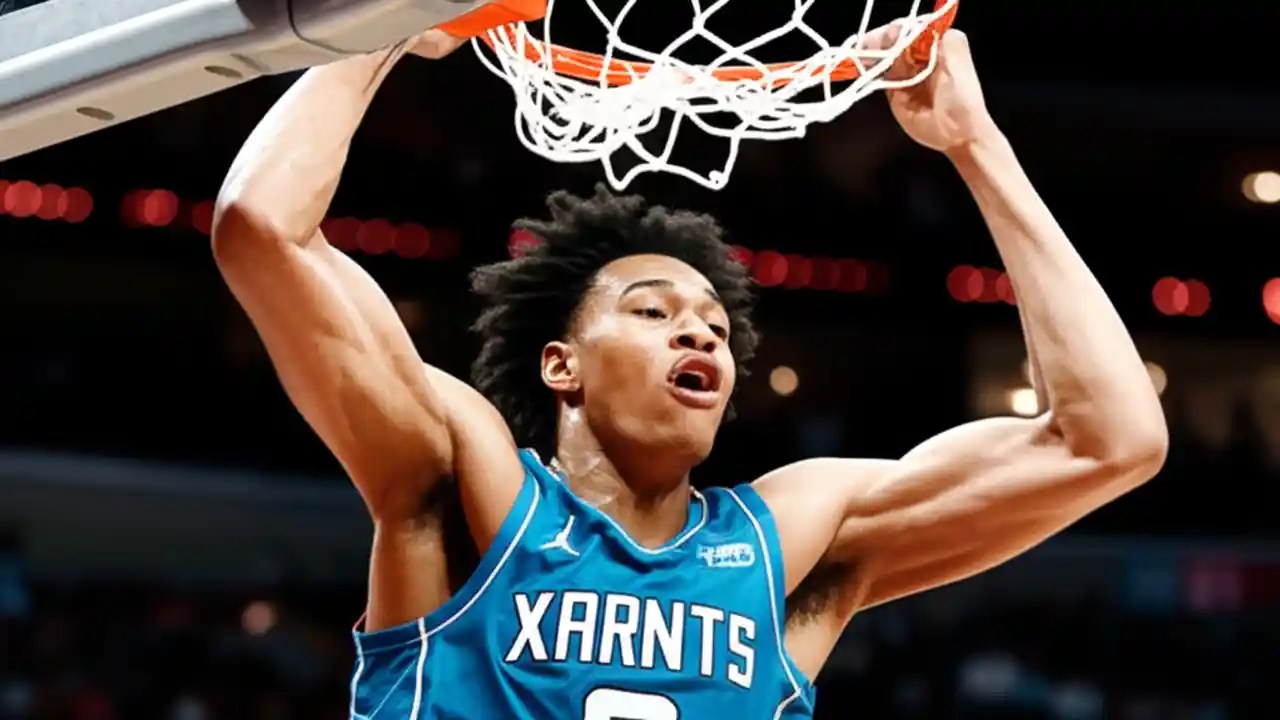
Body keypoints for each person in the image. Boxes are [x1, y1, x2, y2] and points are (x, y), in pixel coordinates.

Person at [210, 23, 1167, 720]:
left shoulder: (786, 544)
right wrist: (380, 28)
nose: (702, 336)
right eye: (653, 312)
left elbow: (1110, 440)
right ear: (562, 366)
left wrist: (976, 144)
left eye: (713, 325)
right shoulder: (471, 488)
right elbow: (263, 231)